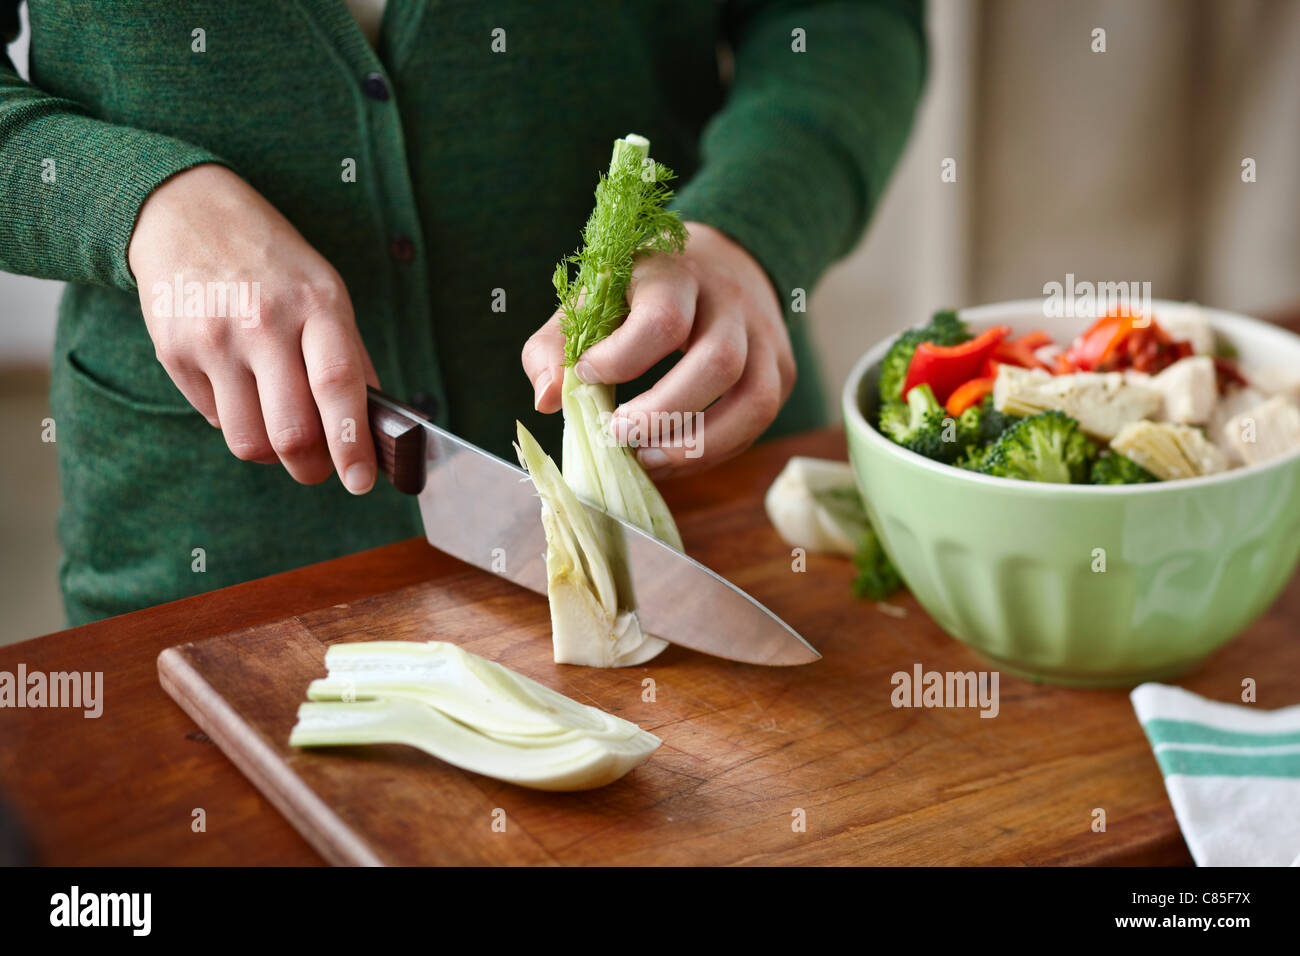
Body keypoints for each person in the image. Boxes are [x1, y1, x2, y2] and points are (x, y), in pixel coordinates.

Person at [0, 0, 925, 625]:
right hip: (210, 549)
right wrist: (133, 204)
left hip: (701, 473)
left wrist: (752, 224)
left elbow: (841, 17)